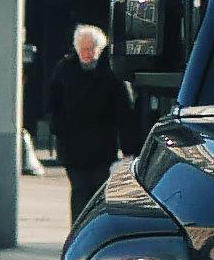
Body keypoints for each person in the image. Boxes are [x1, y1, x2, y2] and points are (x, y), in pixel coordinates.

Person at [42, 18, 140, 217]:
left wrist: (130, 148)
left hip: (102, 147)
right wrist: (58, 129)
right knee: (79, 192)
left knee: (98, 193)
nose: (87, 53)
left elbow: (124, 112)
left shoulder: (111, 74)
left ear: (99, 49)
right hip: (73, 146)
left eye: (91, 48)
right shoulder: (64, 70)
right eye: (83, 49)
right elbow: (53, 104)